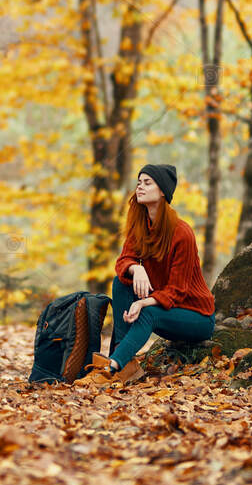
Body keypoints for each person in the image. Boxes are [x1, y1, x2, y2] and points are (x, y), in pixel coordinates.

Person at [84, 162, 215, 385]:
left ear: (162, 190)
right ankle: (124, 364)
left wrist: (142, 303)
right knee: (121, 282)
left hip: (195, 316)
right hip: (166, 308)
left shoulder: (182, 233)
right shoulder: (140, 226)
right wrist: (137, 268)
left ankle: (111, 369)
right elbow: (123, 262)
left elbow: (177, 292)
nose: (140, 187)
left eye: (147, 183)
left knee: (148, 314)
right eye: (138, 183)